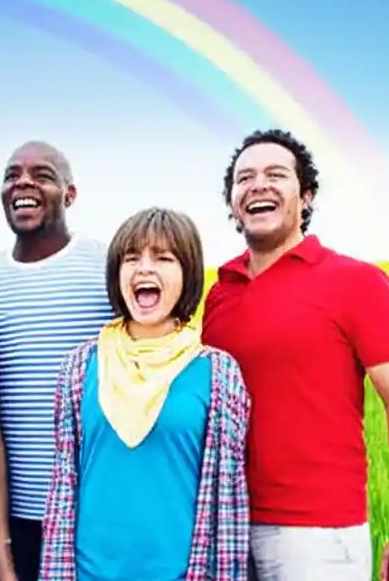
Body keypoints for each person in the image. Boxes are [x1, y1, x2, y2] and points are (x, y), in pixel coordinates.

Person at [202, 129, 389, 581]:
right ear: (232, 203)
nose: (259, 185)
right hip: (226, 526)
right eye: (244, 177)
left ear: (305, 196)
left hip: (319, 535)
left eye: (276, 174)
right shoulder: (219, 294)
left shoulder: (357, 282)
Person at [38, 207, 251, 580]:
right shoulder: (79, 367)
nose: (144, 269)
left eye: (163, 258)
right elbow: (63, 485)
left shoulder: (218, 373)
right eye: (131, 258)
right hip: (88, 573)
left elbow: (228, 500)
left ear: (187, 274)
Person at [0, 141, 112, 581]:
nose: (23, 183)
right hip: (17, 515)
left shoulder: (111, 269)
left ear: (70, 194)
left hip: (96, 508)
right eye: (12, 175)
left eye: (42, 174)